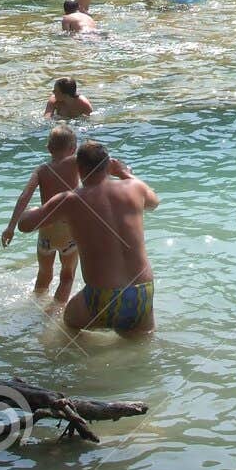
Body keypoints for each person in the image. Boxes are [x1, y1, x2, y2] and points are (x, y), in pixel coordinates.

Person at [17, 140, 157, 335]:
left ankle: (85, 360)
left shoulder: (70, 200)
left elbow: (24, 226)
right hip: (143, 291)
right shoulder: (135, 187)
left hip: (102, 297)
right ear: (109, 166)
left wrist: (31, 211)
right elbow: (153, 203)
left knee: (68, 325)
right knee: (139, 342)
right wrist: (124, 173)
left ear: (79, 169)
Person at [1, 126, 83, 301]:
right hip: (70, 231)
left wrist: (10, 227)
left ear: (48, 148)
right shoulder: (76, 163)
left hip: (46, 232)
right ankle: (56, 311)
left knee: (44, 273)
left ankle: (36, 305)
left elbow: (24, 197)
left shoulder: (41, 170)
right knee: (67, 277)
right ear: (73, 149)